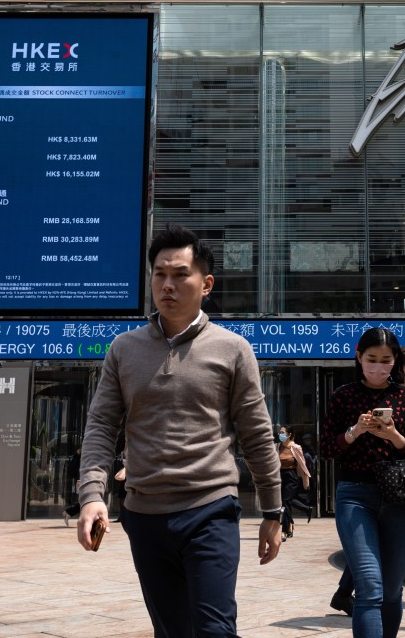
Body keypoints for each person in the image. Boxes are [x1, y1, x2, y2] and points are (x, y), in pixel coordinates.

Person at [75, 223, 282, 637]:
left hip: (211, 510)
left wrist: (274, 510)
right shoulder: (124, 349)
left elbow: (256, 433)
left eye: (179, 274)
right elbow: (101, 425)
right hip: (144, 515)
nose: (167, 284)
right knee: (172, 632)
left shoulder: (233, 348)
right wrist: (92, 495)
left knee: (215, 629)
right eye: (159, 274)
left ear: (205, 283)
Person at [320, 327, 405, 637]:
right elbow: (327, 448)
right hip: (355, 494)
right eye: (371, 359)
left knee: (392, 590)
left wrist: (392, 435)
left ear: (396, 362)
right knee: (369, 587)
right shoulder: (343, 395)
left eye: (386, 360)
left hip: (398, 497)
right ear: (358, 356)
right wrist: (355, 431)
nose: (379, 367)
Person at [276, 426, 311, 540]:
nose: (280, 434)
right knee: (285, 503)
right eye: (279, 432)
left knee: (286, 501)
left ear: (289, 434)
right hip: (279, 476)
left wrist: (306, 479)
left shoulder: (296, 447)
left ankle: (284, 531)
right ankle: (290, 524)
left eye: (282, 432)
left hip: (291, 476)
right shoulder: (277, 446)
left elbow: (302, 464)